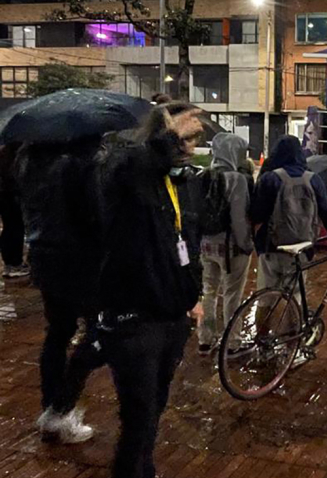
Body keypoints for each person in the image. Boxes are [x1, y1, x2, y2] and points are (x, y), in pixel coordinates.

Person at [96, 102, 206, 478]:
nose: (190, 147)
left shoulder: (182, 184)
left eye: (193, 140)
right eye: (184, 138)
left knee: (154, 406)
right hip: (134, 317)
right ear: (161, 134)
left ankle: (145, 468)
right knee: (138, 413)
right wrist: (166, 137)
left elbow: (188, 243)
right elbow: (127, 171)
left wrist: (196, 295)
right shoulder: (126, 171)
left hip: (173, 315)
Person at [16, 135, 105, 443]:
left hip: (43, 256)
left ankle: (52, 406)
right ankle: (60, 409)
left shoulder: (27, 161)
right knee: (102, 333)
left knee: (58, 333)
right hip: (80, 262)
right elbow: (95, 216)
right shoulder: (79, 164)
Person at [251, 135, 327, 297]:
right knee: (295, 297)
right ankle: (294, 321)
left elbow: (256, 214)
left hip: (271, 248)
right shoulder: (313, 179)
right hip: (302, 247)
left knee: (265, 298)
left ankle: (265, 322)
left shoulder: (270, 178)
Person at [197, 133, 254, 356]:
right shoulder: (236, 179)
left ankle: (205, 339)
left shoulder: (202, 175)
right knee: (232, 294)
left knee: (208, 291)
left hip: (205, 245)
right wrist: (247, 244)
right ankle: (232, 343)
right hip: (231, 247)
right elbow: (238, 218)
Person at [0, 143, 28, 279]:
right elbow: (11, 176)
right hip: (10, 195)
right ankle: (14, 263)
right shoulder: (12, 154)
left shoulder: (5, 151)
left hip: (5, 194)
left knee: (10, 228)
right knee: (15, 228)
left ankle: (10, 263)